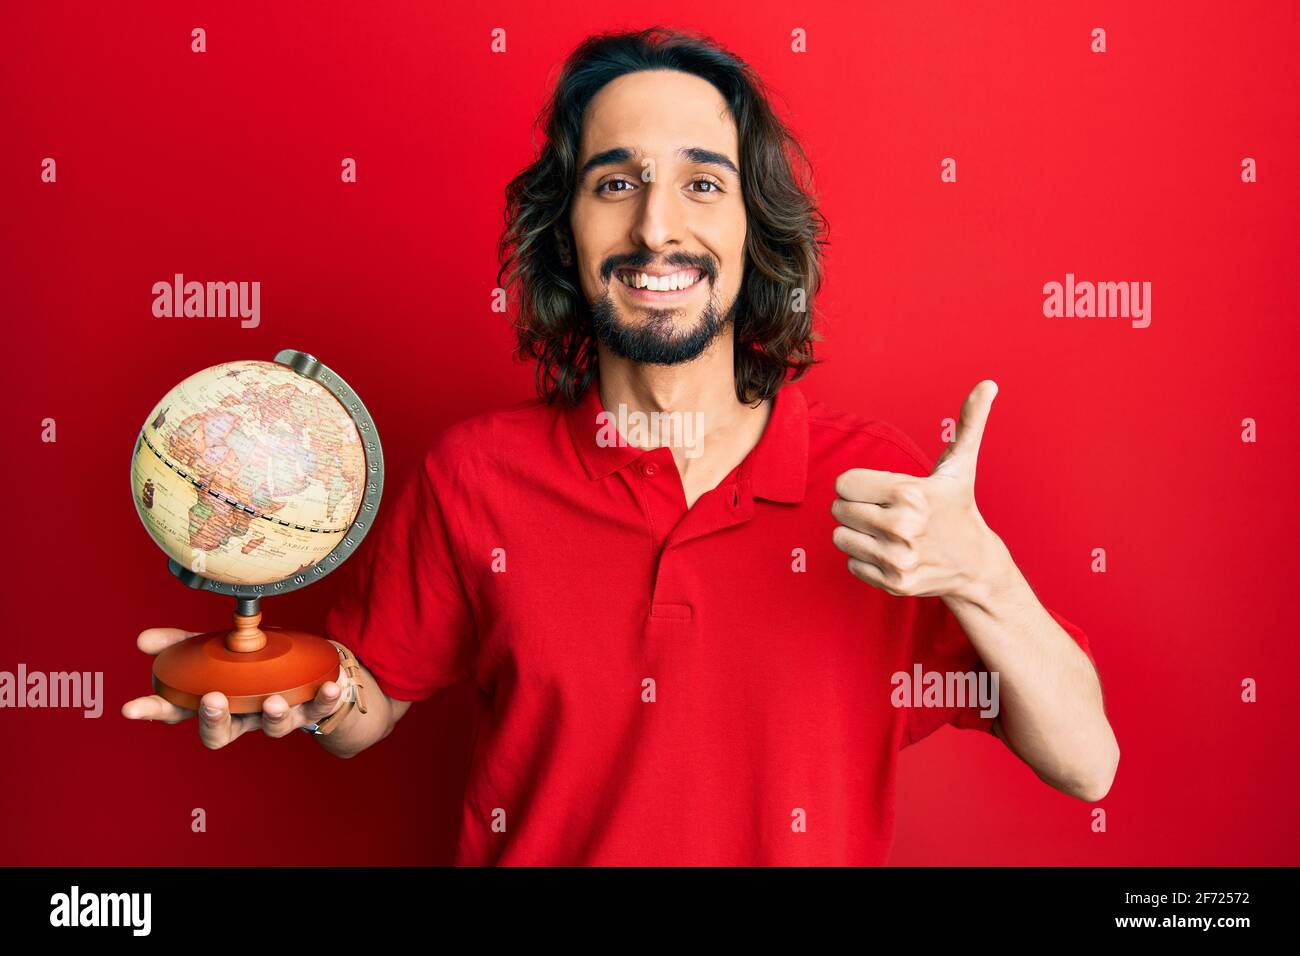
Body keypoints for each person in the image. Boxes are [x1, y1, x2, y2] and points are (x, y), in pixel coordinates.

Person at [124, 27, 1118, 865]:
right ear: (566, 231)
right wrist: (303, 692)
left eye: (702, 182)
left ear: (754, 231)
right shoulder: (475, 475)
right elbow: (369, 702)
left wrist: (983, 572)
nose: (655, 226)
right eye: (615, 182)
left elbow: (1087, 763)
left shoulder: (884, 494)